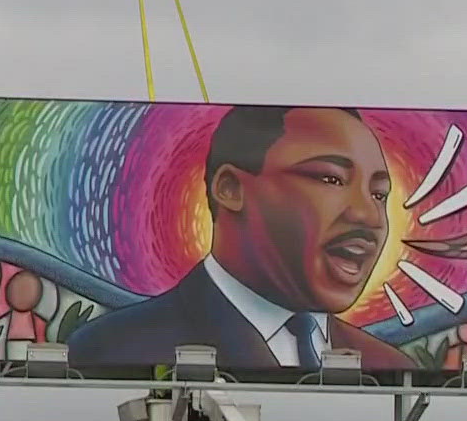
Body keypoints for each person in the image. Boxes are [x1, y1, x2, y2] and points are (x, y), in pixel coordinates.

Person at [69, 105, 414, 372]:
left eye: (379, 195)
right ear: (230, 188)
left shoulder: (387, 368)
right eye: (330, 179)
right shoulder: (117, 348)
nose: (368, 216)